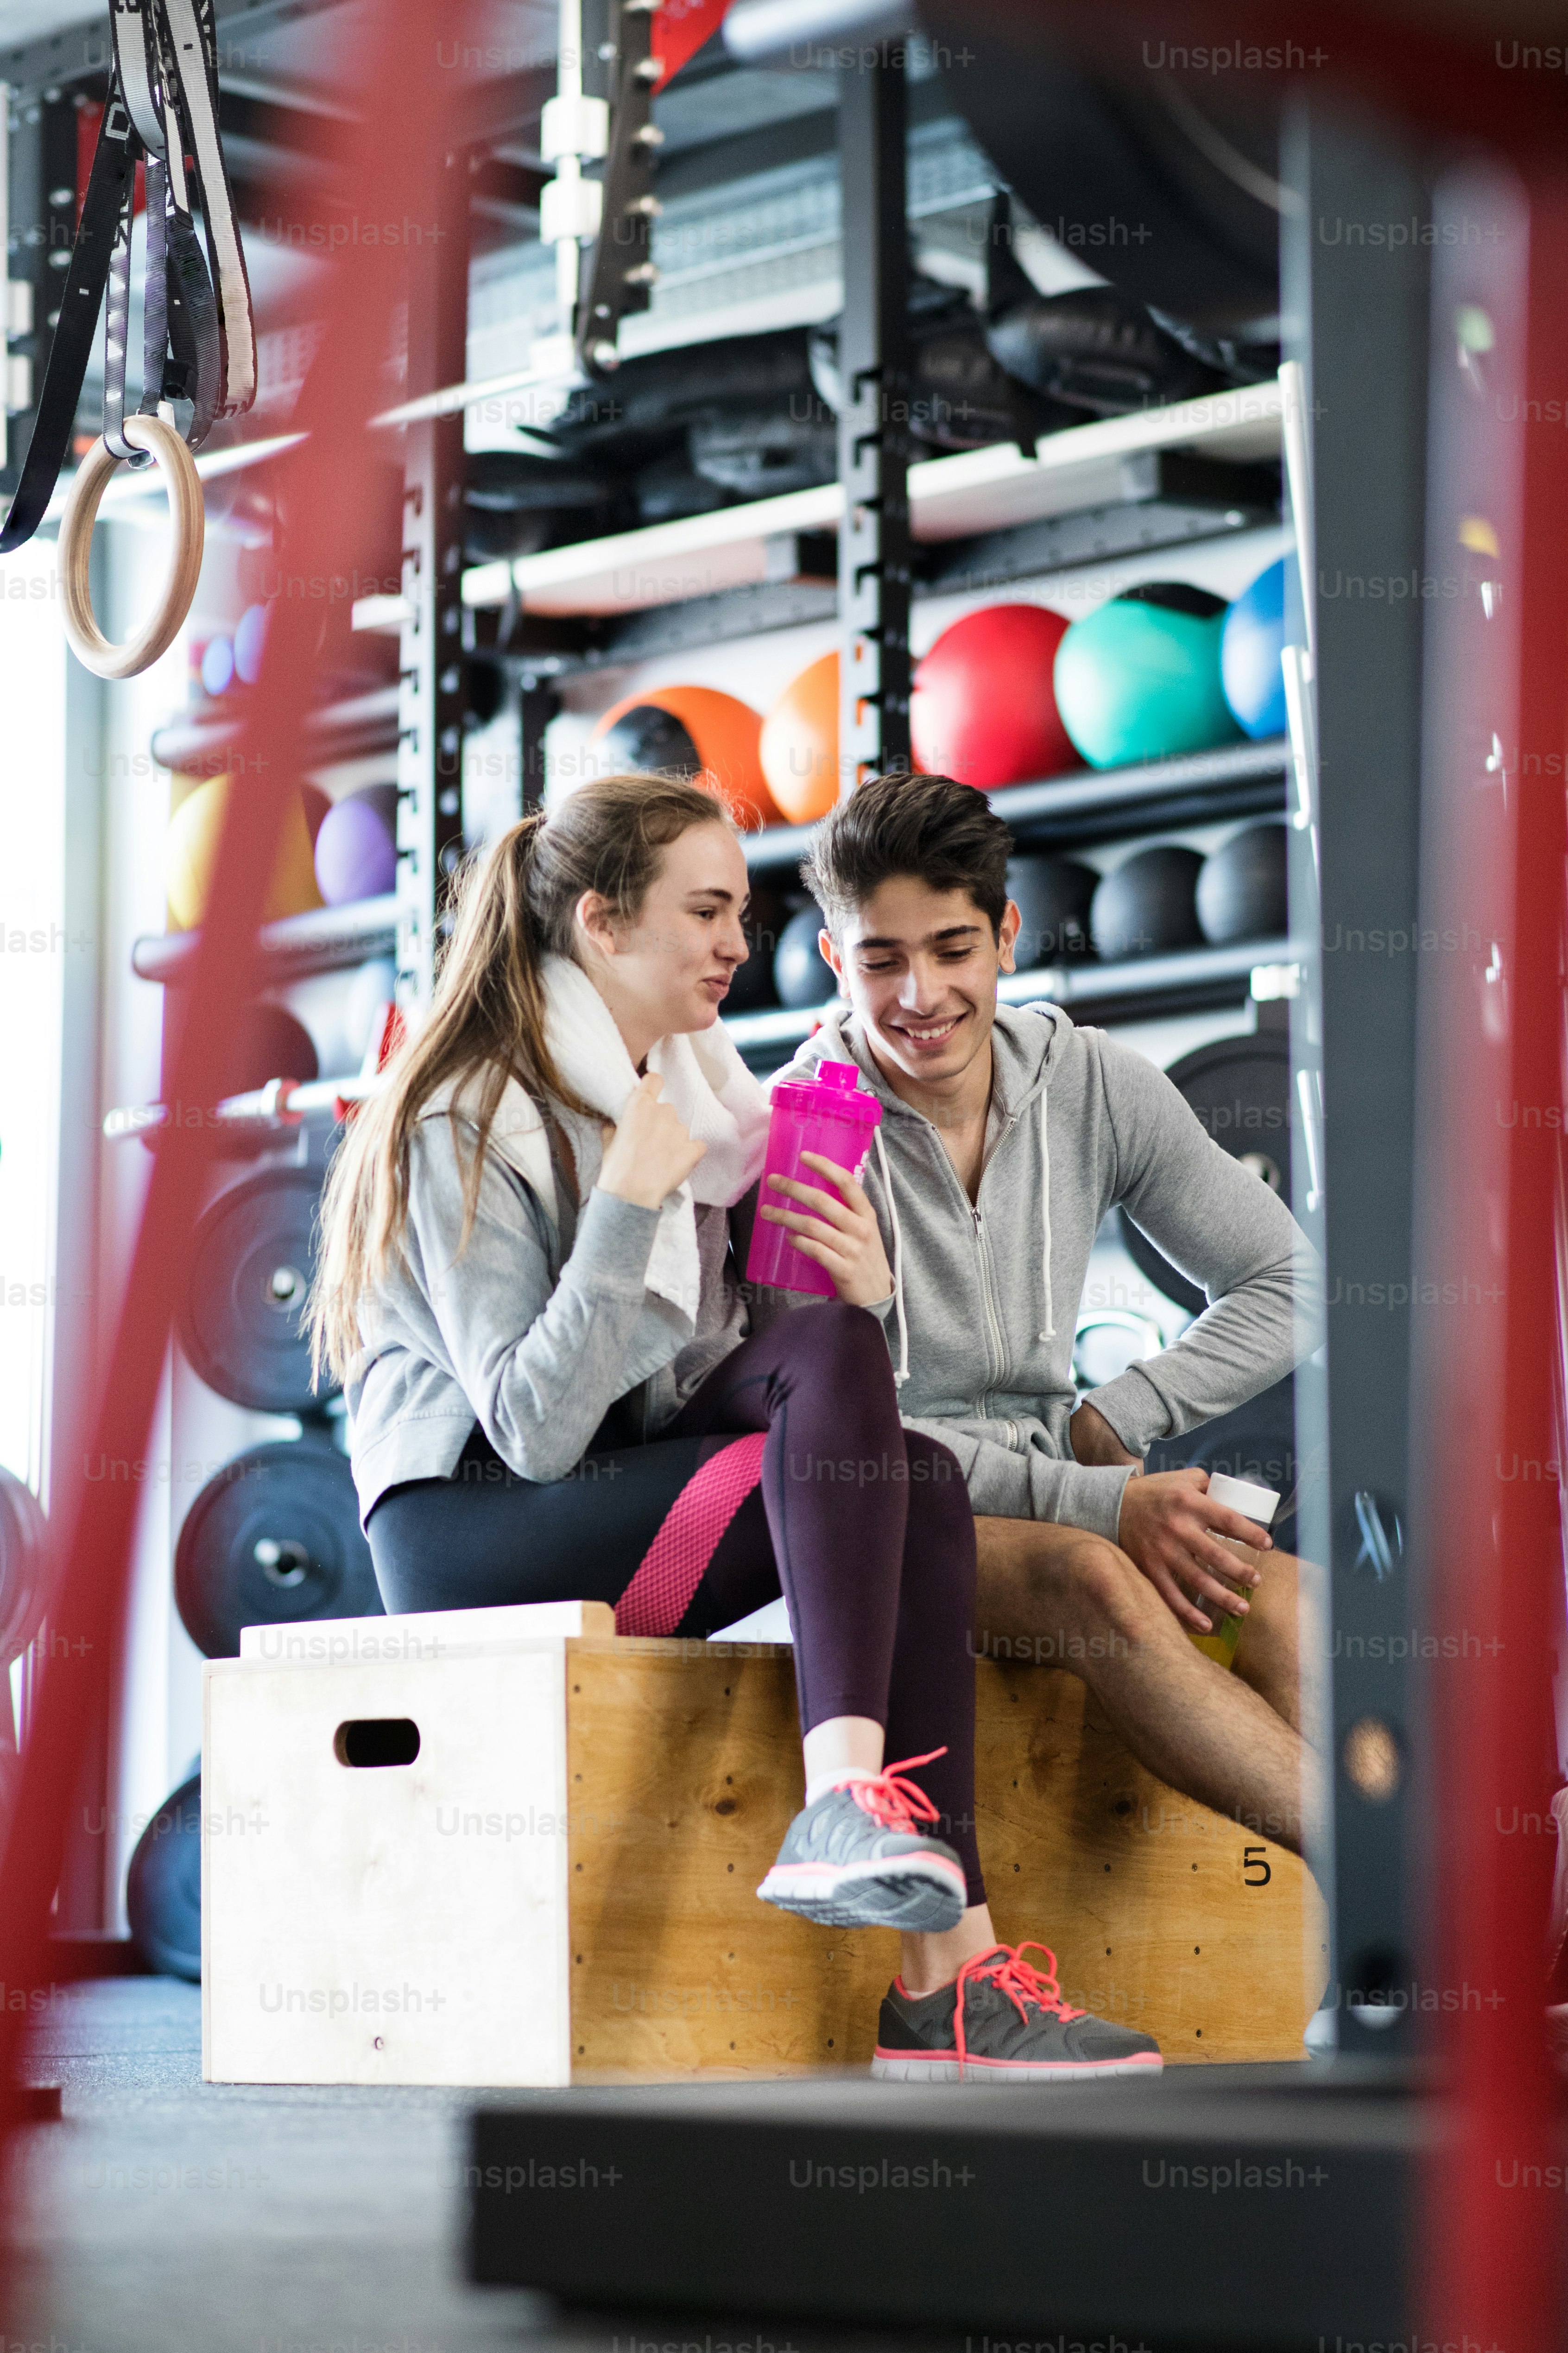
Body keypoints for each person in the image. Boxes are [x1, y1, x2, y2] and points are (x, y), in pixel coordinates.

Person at [309, 772, 1160, 2082]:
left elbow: (739, 1381)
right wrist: (625, 1209)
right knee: (869, 1432)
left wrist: (853, 1294)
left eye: (741, 915)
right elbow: (532, 1428)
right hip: (471, 1531)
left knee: (917, 1472)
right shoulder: (467, 1115)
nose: (736, 944)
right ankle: (847, 1815)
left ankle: (942, 1982)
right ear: (603, 923)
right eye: (706, 912)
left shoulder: (703, 1106)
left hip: (614, 1485)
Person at [758, 769, 1326, 1858]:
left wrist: (1119, 1415)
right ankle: (1412, 1883)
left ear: (1007, 936)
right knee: (1093, 1575)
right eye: (881, 960)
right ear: (834, 959)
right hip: (891, 1533)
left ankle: (1410, 1914)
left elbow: (1289, 1281)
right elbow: (840, 1452)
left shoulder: (1092, 1083)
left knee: (1287, 1597)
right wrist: (1099, 1501)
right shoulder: (806, 1134)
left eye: (953, 949)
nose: (921, 994)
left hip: (1055, 1485)